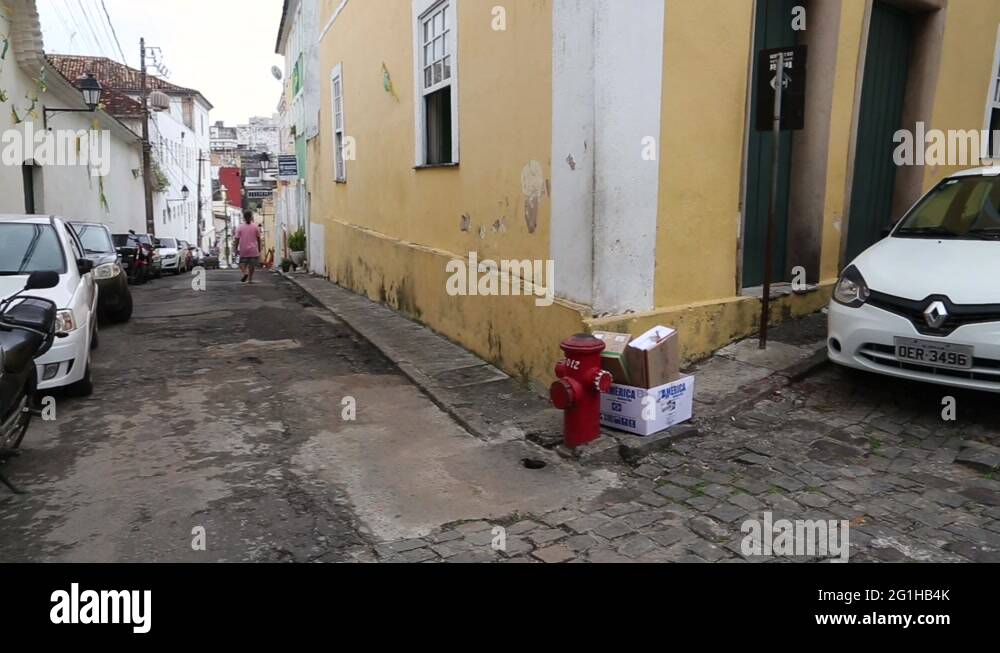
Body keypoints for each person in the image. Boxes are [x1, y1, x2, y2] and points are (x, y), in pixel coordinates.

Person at [234, 210, 263, 284]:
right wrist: (259, 248)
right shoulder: (255, 226)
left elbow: (237, 239)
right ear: (251, 217)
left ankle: (245, 273)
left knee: (242, 264)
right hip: (253, 250)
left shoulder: (240, 227)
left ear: (244, 217)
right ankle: (250, 279)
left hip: (243, 250)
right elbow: (259, 239)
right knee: (252, 266)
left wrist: (236, 249)